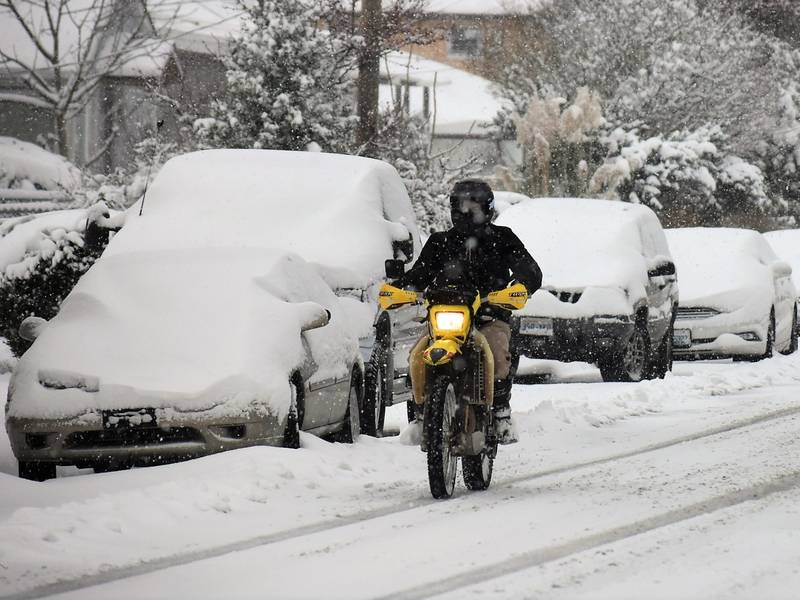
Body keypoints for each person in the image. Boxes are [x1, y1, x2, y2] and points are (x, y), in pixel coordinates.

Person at [393, 179, 542, 444]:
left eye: (474, 208)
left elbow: (529, 269)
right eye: (462, 208)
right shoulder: (440, 242)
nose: (467, 213)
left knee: (496, 350)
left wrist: (520, 286)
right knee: (417, 356)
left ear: (488, 209)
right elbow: (420, 274)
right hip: (444, 319)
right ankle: (420, 413)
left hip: (488, 317)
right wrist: (399, 289)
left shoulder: (503, 238)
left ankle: (499, 411)